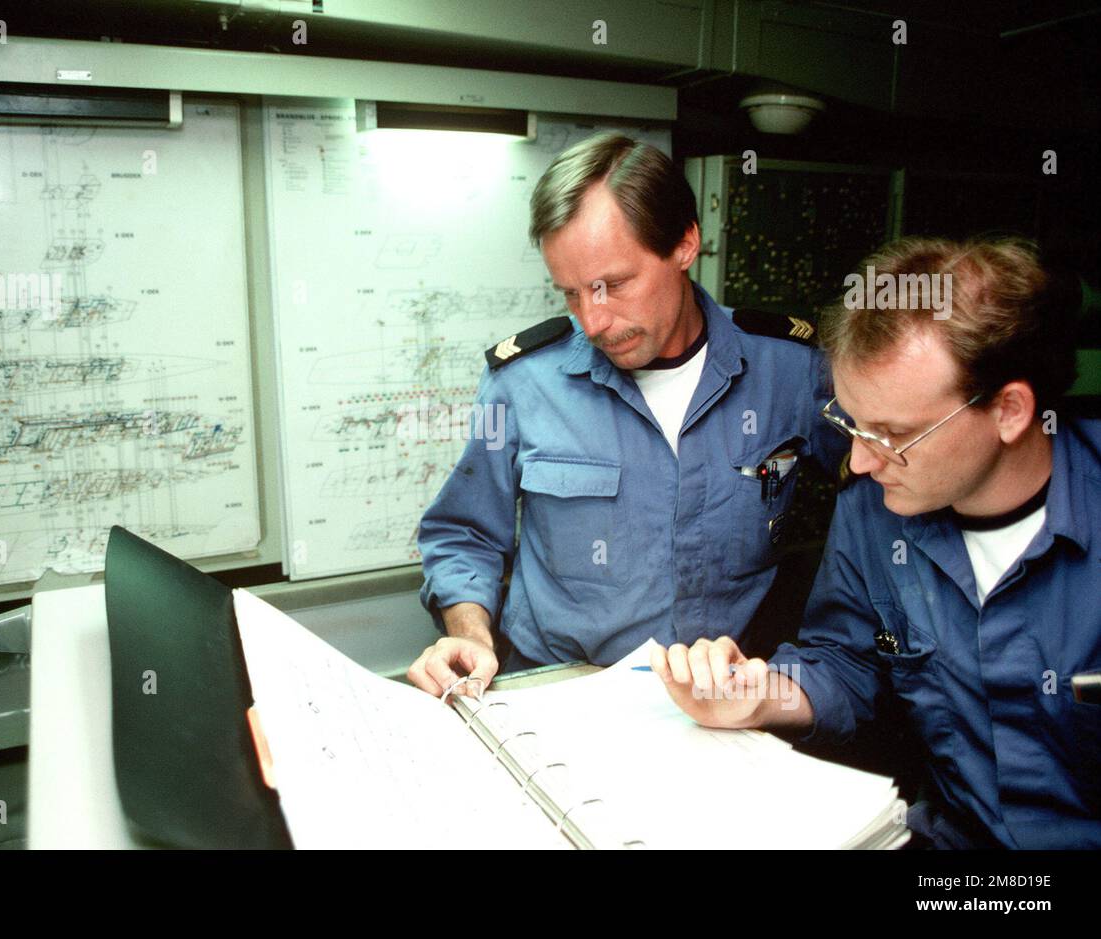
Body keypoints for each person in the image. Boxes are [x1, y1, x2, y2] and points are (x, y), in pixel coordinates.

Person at [652, 236, 1099, 848]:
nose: (859, 462)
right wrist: (756, 695)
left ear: (1010, 411)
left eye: (890, 434)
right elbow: (847, 662)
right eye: (851, 425)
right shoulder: (875, 515)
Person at [408, 132, 845, 698]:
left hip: (726, 709)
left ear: (686, 244)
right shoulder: (520, 382)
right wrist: (472, 633)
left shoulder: (791, 371)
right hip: (559, 694)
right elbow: (465, 532)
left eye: (613, 285)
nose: (593, 321)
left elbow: (882, 501)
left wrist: (825, 652)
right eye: (571, 293)